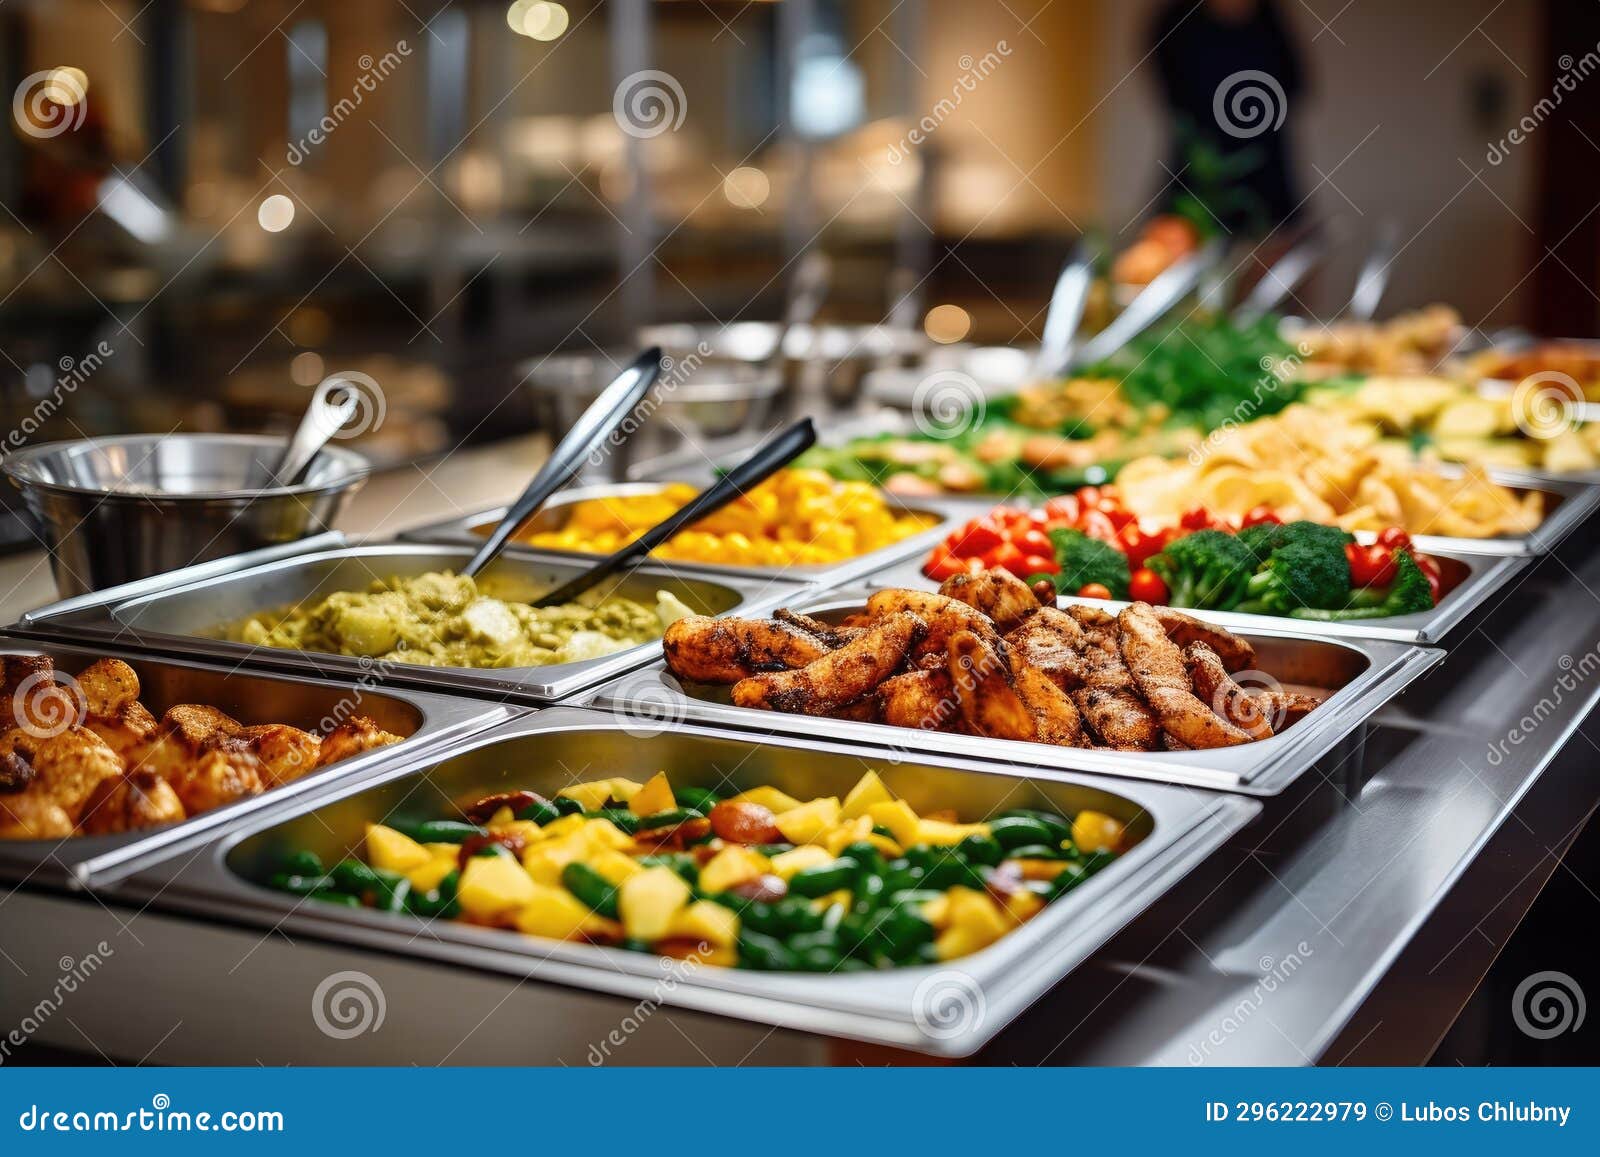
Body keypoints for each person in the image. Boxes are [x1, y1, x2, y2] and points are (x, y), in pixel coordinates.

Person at [1149, 0, 1307, 236]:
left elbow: (1297, 86)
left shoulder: (1269, 20)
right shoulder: (1179, 21)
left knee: (1273, 260)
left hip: (1268, 183)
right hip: (1197, 179)